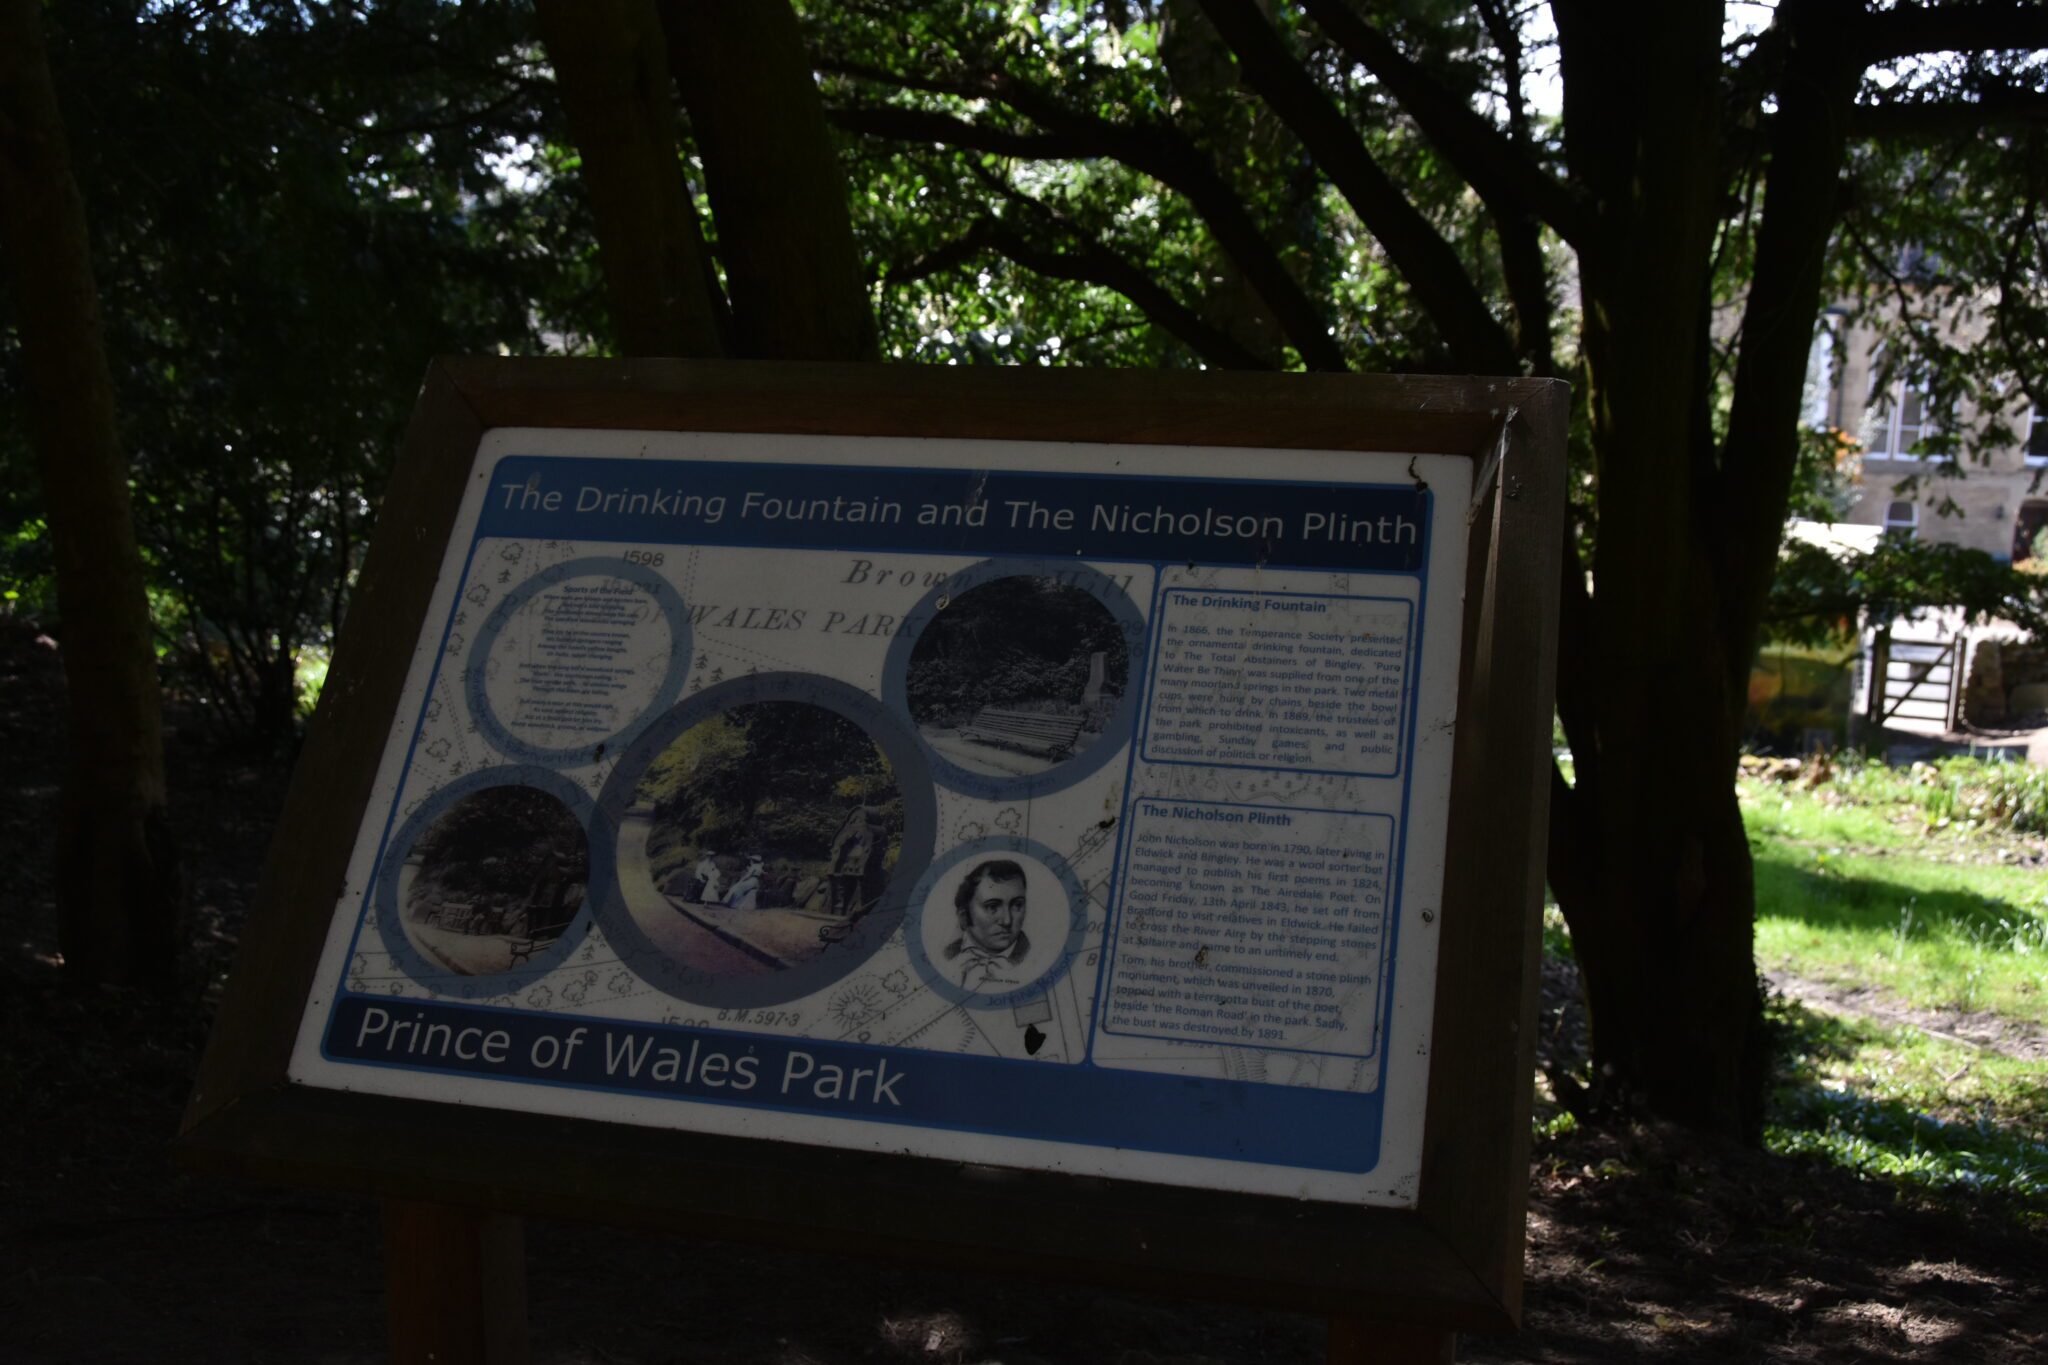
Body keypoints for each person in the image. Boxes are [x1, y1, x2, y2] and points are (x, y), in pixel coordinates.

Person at [943, 859, 1030, 991]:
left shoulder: (1034, 957)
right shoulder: (948, 957)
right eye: (992, 907)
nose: (1007, 921)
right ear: (964, 916)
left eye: (1017, 905)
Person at [827, 806, 876, 917]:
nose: (856, 822)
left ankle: (843, 912)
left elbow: (868, 848)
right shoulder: (847, 834)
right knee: (839, 891)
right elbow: (839, 846)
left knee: (853, 893)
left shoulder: (870, 833)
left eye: (860, 820)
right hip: (845, 867)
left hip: (857, 869)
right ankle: (837, 911)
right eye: (854, 820)